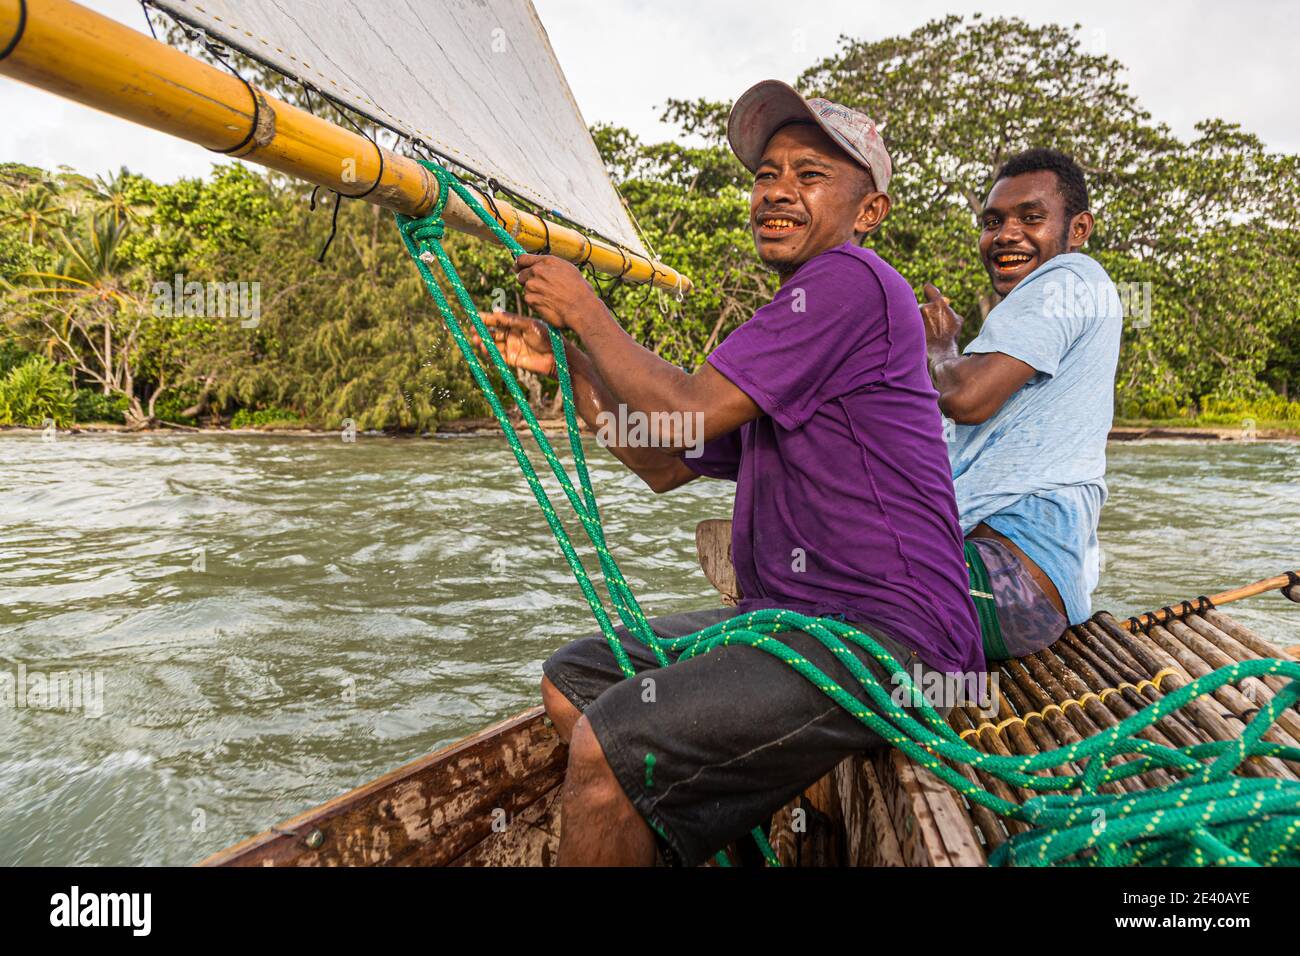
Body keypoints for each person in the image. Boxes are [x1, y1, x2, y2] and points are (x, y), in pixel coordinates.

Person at [477, 80, 981, 866]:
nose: (778, 191)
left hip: (892, 638)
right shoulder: (803, 324)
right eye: (766, 174)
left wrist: (587, 312)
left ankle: (636, 810)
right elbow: (664, 457)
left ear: (868, 212)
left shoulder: (851, 284)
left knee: (610, 752)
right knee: (574, 680)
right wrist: (572, 365)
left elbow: (689, 403)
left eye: (810, 175)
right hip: (797, 617)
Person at [920, 148, 1122, 658]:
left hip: (1007, 582)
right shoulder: (1070, 295)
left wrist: (940, 347)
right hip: (1031, 587)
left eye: (1031, 218)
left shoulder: (1067, 281)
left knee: (820, 580)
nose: (1006, 234)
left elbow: (966, 397)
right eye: (993, 222)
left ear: (1077, 229)